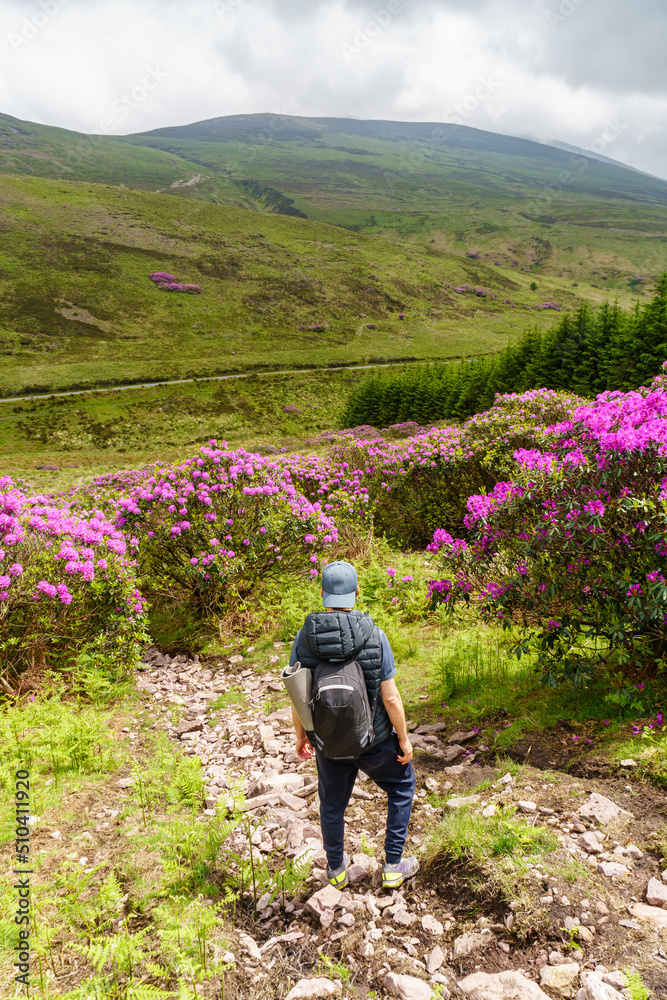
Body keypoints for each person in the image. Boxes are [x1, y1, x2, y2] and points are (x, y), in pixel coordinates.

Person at [289, 560, 418, 890]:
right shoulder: (375, 635)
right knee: (401, 787)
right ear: (357, 592)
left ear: (322, 594)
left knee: (331, 804)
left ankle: (336, 871)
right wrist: (403, 739)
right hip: (374, 740)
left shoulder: (305, 638)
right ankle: (392, 866)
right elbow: (390, 698)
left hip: (329, 743)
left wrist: (302, 735)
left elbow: (298, 694)